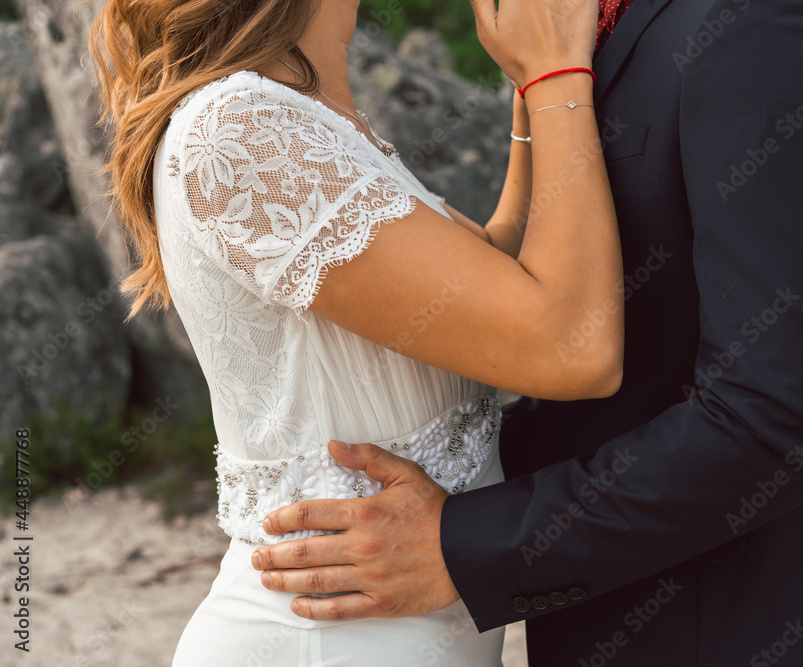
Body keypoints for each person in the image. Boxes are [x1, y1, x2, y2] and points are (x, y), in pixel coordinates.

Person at [250, 0, 803, 664]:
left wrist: (463, 544)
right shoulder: (590, 32)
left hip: (746, 626)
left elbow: (777, 419)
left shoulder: (774, 23)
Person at [89, 0, 618, 663]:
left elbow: (486, 290)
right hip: (331, 639)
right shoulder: (243, 129)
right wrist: (558, 81)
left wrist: (531, 105)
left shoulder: (302, 108)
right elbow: (574, 348)